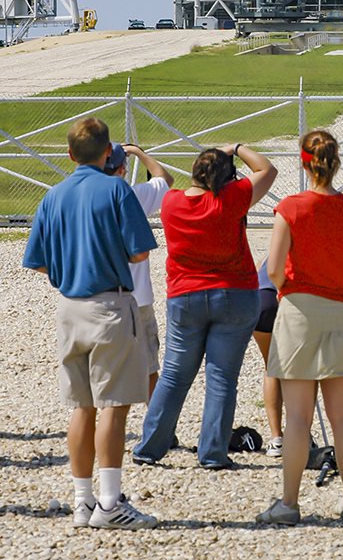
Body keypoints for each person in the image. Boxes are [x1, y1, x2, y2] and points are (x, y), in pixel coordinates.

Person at [22, 117, 159, 530]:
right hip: (110, 305)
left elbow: (38, 261)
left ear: (69, 154)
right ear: (106, 154)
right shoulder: (116, 189)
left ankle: (82, 501)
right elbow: (139, 254)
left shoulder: (53, 196)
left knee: (80, 407)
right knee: (113, 407)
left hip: (69, 307)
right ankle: (110, 501)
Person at [133, 142, 277, 470]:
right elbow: (267, 170)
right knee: (222, 377)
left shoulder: (172, 203)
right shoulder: (231, 199)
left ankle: (150, 446)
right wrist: (237, 148)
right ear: (227, 179)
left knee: (174, 373)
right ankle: (212, 453)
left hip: (186, 295)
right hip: (235, 294)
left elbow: (167, 185)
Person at [256, 130, 343, 526]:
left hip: (299, 309)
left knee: (299, 418)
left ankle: (289, 502)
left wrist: (293, 287)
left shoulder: (291, 207)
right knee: (342, 415)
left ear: (304, 162)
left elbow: (273, 269)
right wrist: (339, 285)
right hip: (339, 308)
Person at [103, 142, 174, 399]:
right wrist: (140, 152)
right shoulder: (135, 195)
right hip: (138, 297)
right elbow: (165, 179)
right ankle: (155, 428)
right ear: (122, 168)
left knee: (107, 373)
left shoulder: (82, 199)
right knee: (149, 368)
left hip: (99, 297)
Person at [253, 256, 284, 457]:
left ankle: (276, 438)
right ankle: (302, 435)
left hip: (260, 301)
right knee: (298, 372)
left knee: (271, 367)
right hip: (284, 300)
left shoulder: (271, 252)